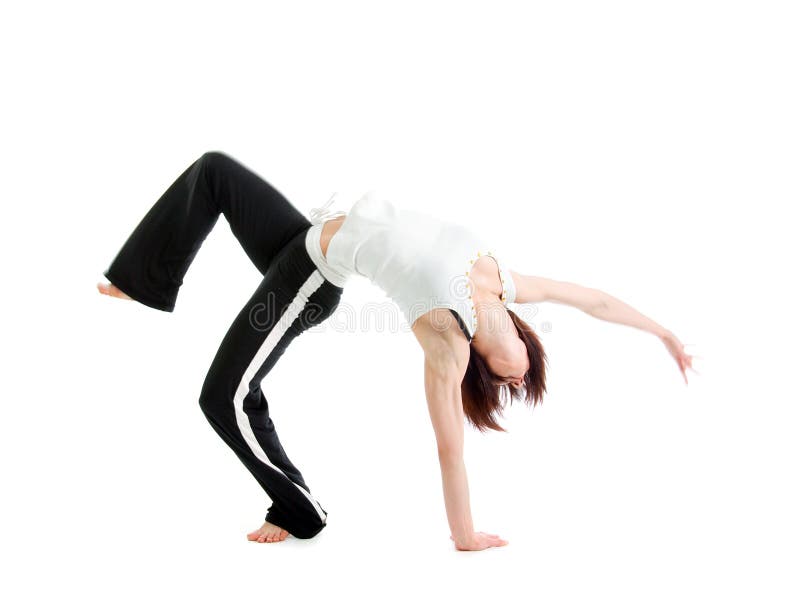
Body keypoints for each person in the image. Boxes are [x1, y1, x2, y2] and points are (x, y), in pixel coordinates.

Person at [97, 151, 697, 551]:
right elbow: (592, 300)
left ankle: (297, 510)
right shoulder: (508, 282)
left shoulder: (448, 347)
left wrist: (464, 536)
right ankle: (143, 280)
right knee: (215, 171)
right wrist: (663, 332)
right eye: (527, 376)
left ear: (486, 371)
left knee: (221, 397)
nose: (516, 381)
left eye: (509, 388)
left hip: (307, 282)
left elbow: (450, 453)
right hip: (301, 240)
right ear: (524, 338)